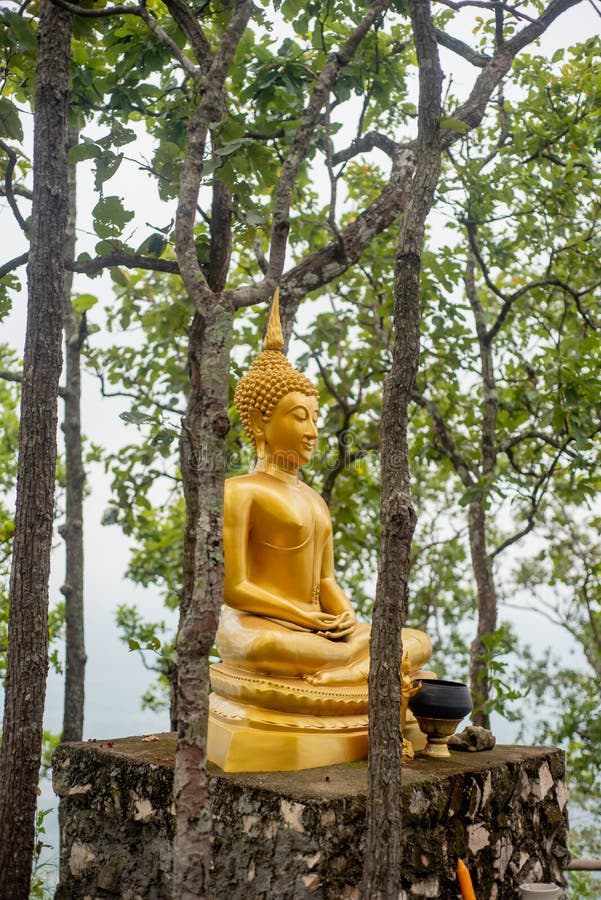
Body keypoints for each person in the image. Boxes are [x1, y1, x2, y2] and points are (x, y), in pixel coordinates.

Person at [215, 289, 432, 685]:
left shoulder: (314, 499)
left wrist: (344, 613)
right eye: (300, 417)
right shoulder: (240, 491)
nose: (312, 432)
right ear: (261, 423)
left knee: (416, 640)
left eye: (315, 418)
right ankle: (358, 673)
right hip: (260, 628)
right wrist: (302, 617)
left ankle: (345, 674)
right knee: (270, 649)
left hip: (318, 631)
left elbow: (325, 581)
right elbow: (236, 588)